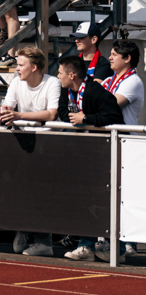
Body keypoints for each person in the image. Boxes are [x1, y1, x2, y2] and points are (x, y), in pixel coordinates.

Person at [55, 54, 124, 262]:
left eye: (60, 73)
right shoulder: (67, 91)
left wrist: (87, 119)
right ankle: (86, 244)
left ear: (72, 75)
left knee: (106, 200)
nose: (58, 77)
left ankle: (116, 249)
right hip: (81, 151)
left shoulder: (96, 92)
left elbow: (114, 118)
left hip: (102, 153)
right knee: (85, 199)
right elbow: (61, 111)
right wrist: (74, 117)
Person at [106, 40, 144, 126]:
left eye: (114, 55)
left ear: (127, 58)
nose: (109, 57)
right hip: (109, 135)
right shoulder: (108, 80)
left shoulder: (133, 81)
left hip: (124, 137)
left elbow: (109, 105)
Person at [70, 18, 112, 82]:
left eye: (81, 37)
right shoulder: (74, 63)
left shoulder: (103, 64)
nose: (76, 40)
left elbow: (94, 89)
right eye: (76, 37)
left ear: (94, 39)